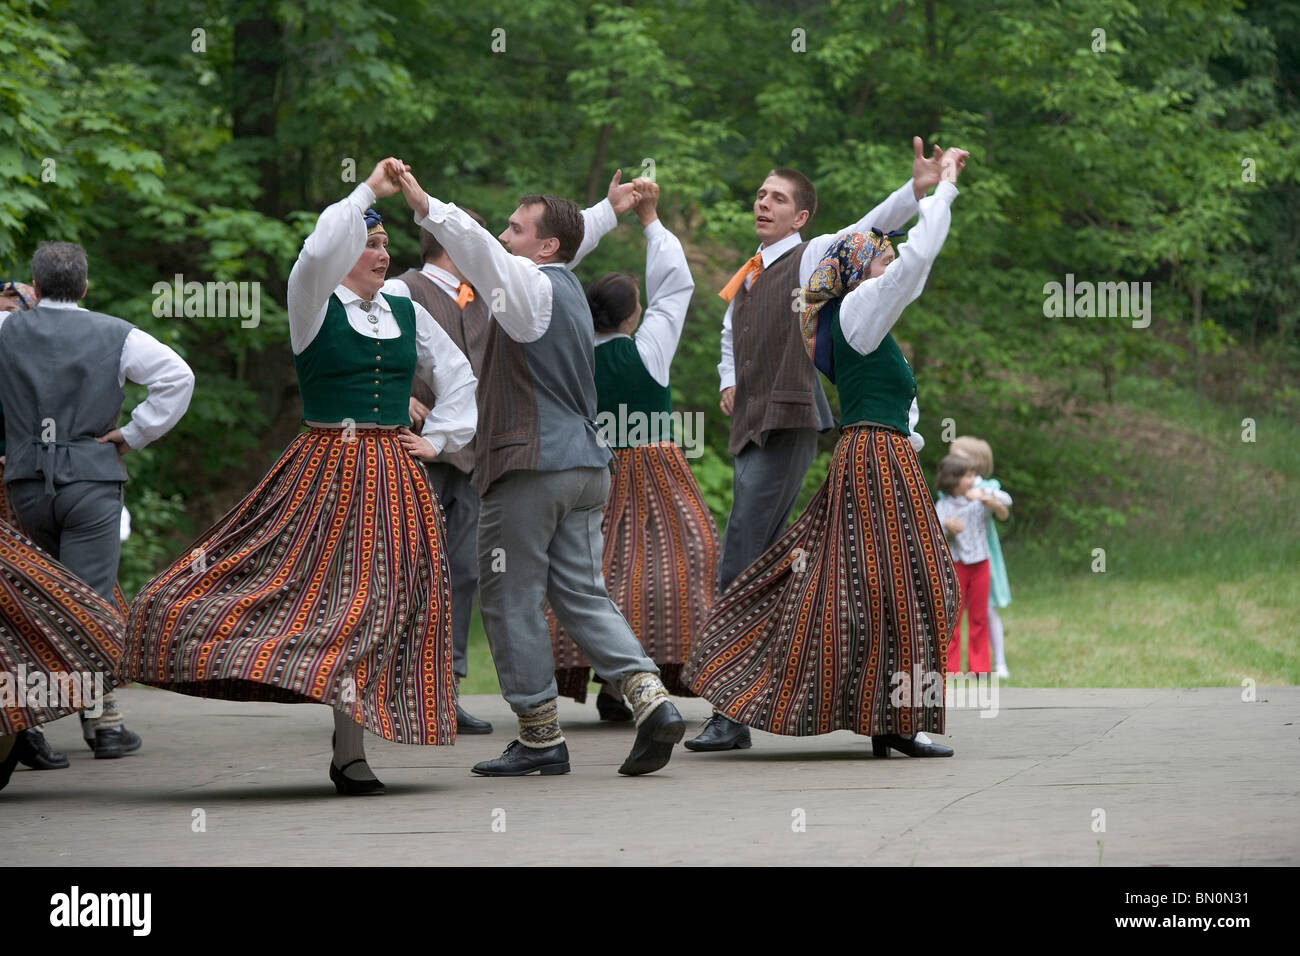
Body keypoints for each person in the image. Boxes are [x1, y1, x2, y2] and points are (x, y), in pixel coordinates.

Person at [125, 159, 478, 796]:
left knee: (378, 607)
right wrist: (368, 191)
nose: (380, 252)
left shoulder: (402, 304)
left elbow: (458, 374)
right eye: (369, 243)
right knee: (321, 601)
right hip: (326, 471)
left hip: (396, 476)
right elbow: (318, 249)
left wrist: (441, 438)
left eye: (385, 243)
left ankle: (351, 751)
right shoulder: (311, 302)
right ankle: (332, 734)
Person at [398, 166, 688, 777]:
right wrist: (606, 211)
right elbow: (564, 236)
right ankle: (650, 699)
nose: (503, 235)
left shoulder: (527, 290)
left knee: (509, 596)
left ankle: (538, 736)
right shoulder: (567, 290)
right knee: (581, 592)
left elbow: (481, 254)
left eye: (515, 227)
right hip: (585, 467)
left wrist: (429, 207)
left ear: (546, 246)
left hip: (531, 467)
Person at [685, 148, 967, 758]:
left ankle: (836, 707)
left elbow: (867, 232)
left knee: (879, 581)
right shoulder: (850, 304)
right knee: (867, 580)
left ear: (802, 217)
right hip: (850, 453)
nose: (762, 203)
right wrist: (939, 192)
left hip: (829, 437)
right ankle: (742, 698)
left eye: (776, 197)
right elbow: (904, 256)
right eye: (759, 195)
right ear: (861, 268)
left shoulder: (826, 273)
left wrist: (911, 192)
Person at [0, 243, 195, 761]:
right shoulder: (117, 333)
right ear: (84, 286)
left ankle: (22, 726)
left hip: (25, 482)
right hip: (90, 479)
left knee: (33, 604)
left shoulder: (6, 330)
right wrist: (134, 434)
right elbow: (179, 377)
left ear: (35, 290)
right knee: (90, 603)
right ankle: (102, 724)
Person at [547, 178, 719, 715]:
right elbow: (676, 288)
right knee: (678, 564)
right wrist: (650, 221)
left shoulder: (573, 352)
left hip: (592, 466)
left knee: (602, 571)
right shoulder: (647, 351)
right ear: (629, 314)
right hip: (653, 468)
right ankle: (653, 675)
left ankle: (613, 679)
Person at [383, 208, 496, 735]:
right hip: (414, 455)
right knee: (407, 570)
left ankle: (445, 692)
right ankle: (393, 690)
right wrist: (399, 394)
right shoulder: (402, 290)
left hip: (470, 458)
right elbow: (372, 347)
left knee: (465, 571)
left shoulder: (482, 299)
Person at [0, 514, 126, 792]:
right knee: (85, 602)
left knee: (28, 607)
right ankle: (105, 723)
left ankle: (34, 728)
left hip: (25, 491)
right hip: (83, 486)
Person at [948, 435, 1012, 677]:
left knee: (987, 609)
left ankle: (999, 663)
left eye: (960, 458)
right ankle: (952, 666)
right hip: (957, 555)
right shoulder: (951, 487)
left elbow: (1006, 500)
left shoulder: (986, 486)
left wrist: (985, 496)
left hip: (984, 556)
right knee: (955, 611)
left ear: (976, 463)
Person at [934, 453, 1004, 675]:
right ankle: (950, 668)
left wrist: (990, 500)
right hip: (955, 567)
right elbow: (935, 531)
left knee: (979, 617)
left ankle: (979, 668)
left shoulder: (979, 500)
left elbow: (1003, 513)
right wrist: (946, 525)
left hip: (980, 564)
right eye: (969, 475)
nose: (974, 479)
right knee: (953, 617)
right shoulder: (943, 505)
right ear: (953, 479)